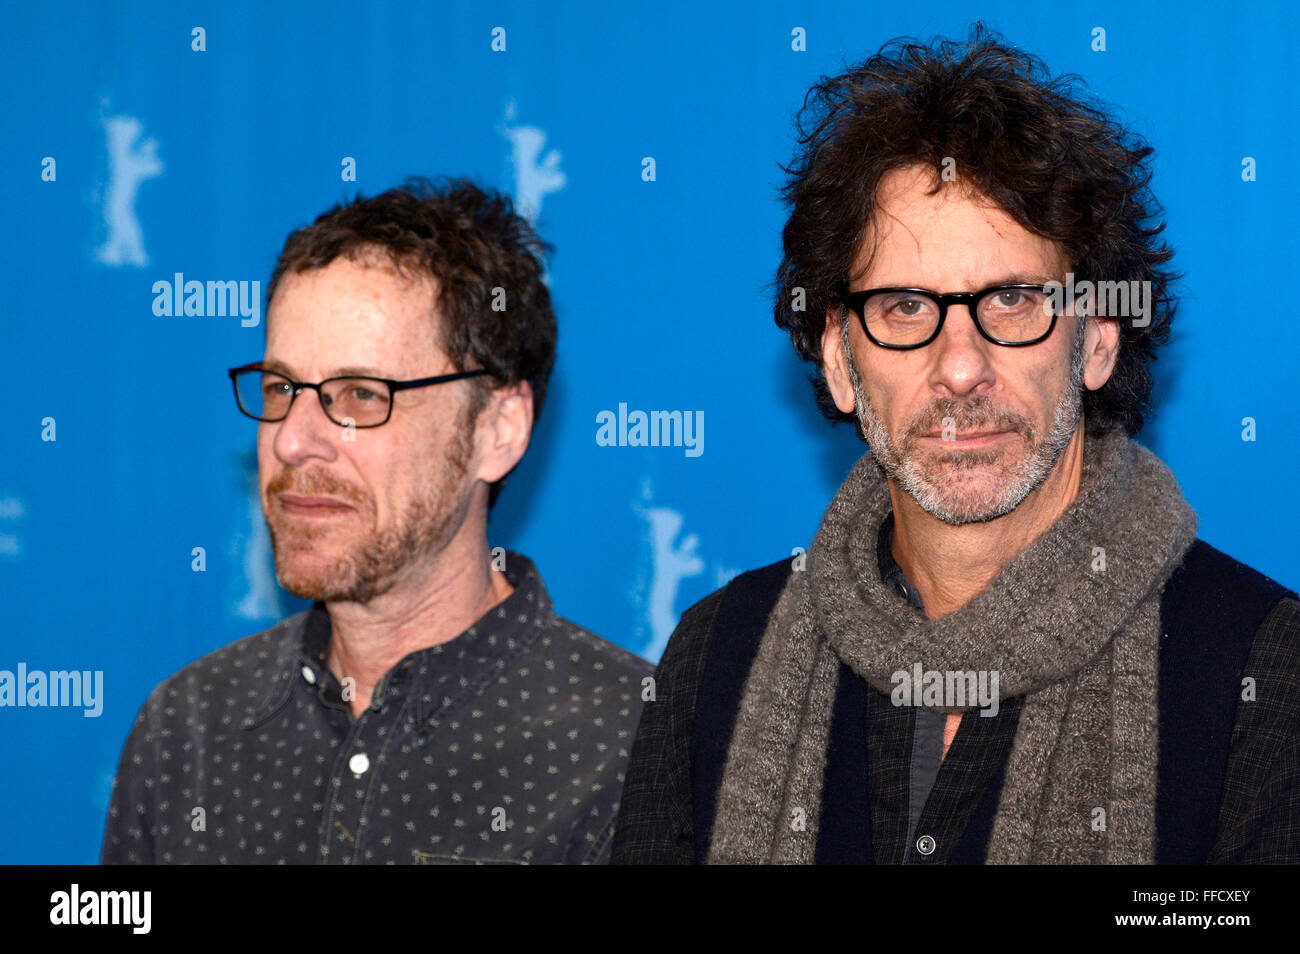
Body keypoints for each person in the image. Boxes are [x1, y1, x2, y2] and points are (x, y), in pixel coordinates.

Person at [611, 28, 1300, 864]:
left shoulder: (1262, 673)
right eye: (905, 306)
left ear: (1097, 339)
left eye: (1011, 300)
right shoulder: (716, 658)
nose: (962, 367)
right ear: (838, 358)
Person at [104, 178, 651, 864]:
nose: (292, 440)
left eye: (361, 395)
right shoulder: (186, 728)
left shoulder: (636, 748)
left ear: (498, 429)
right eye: (280, 389)